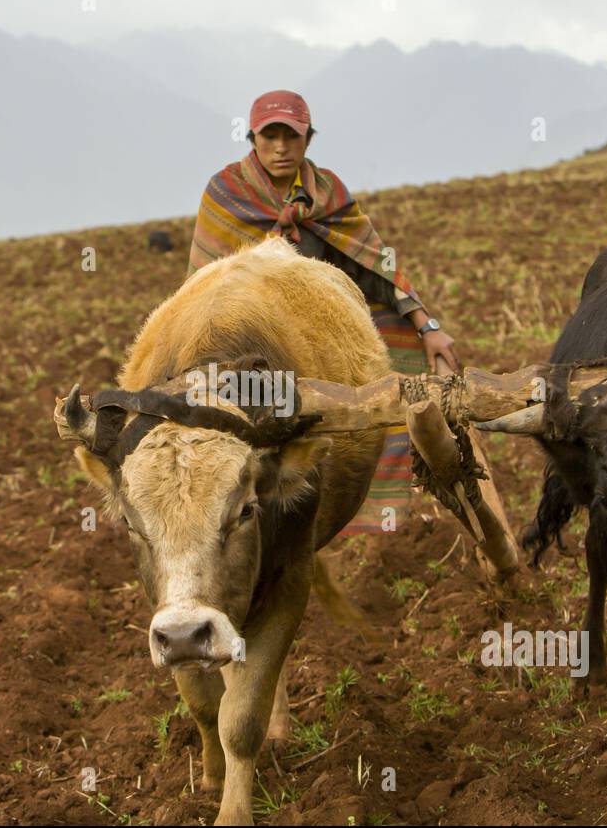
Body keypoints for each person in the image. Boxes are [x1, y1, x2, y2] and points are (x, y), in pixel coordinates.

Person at [187, 90, 457, 534]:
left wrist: (426, 325)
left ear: (307, 140)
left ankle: (344, 507)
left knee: (372, 385)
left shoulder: (327, 193)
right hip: (242, 338)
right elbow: (204, 286)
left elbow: (373, 263)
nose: (280, 147)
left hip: (311, 335)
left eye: (290, 137)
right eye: (269, 135)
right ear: (251, 137)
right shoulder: (226, 192)